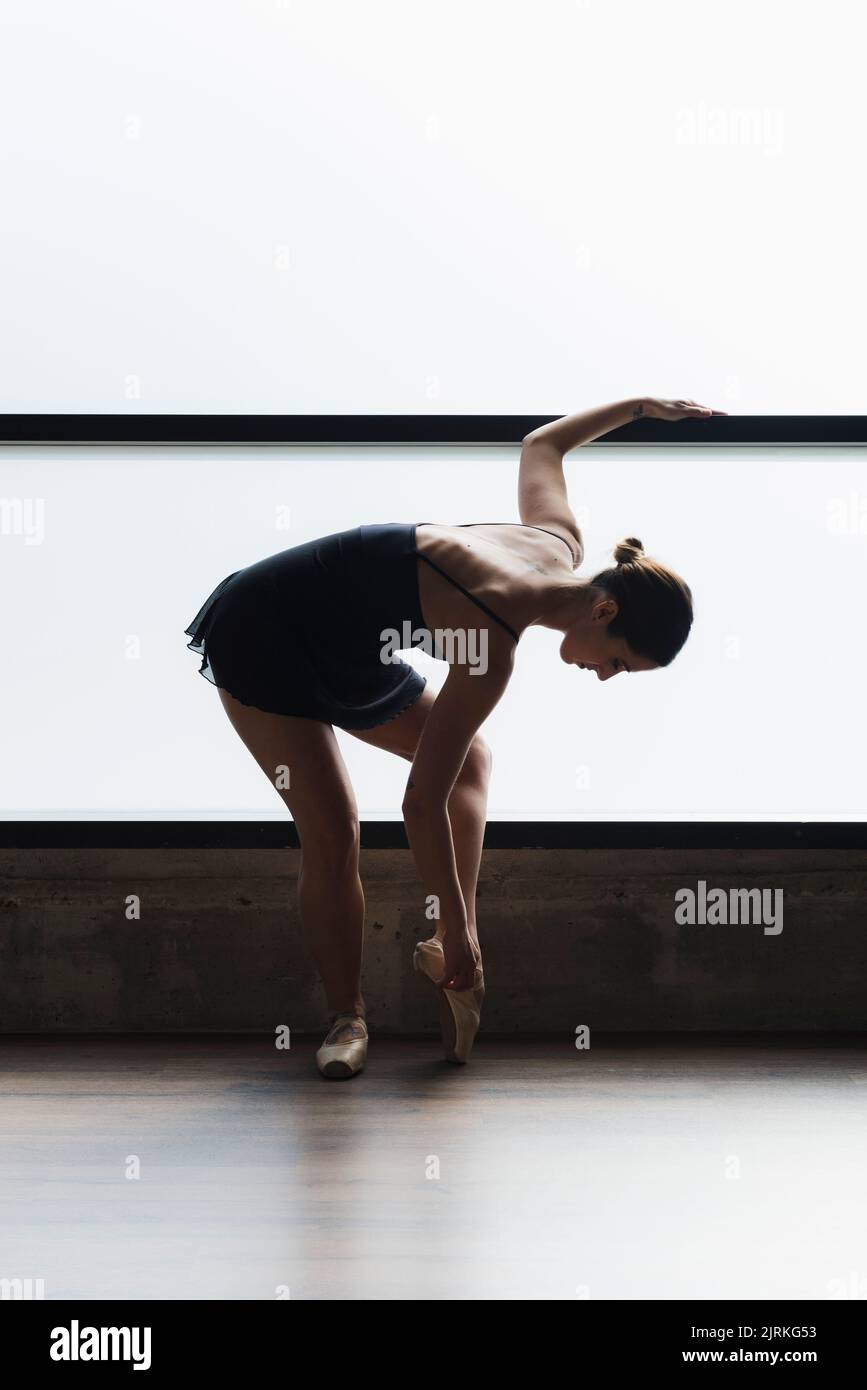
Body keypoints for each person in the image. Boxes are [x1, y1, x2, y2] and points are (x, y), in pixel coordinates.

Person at [184, 396, 726, 1078]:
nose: (606, 677)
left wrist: (642, 407)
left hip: (351, 650)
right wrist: (462, 921)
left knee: (470, 758)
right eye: (618, 661)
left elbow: (543, 447)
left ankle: (446, 945)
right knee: (334, 827)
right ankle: (347, 1017)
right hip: (260, 633)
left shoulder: (557, 545)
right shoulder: (490, 639)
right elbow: (420, 802)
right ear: (605, 610)